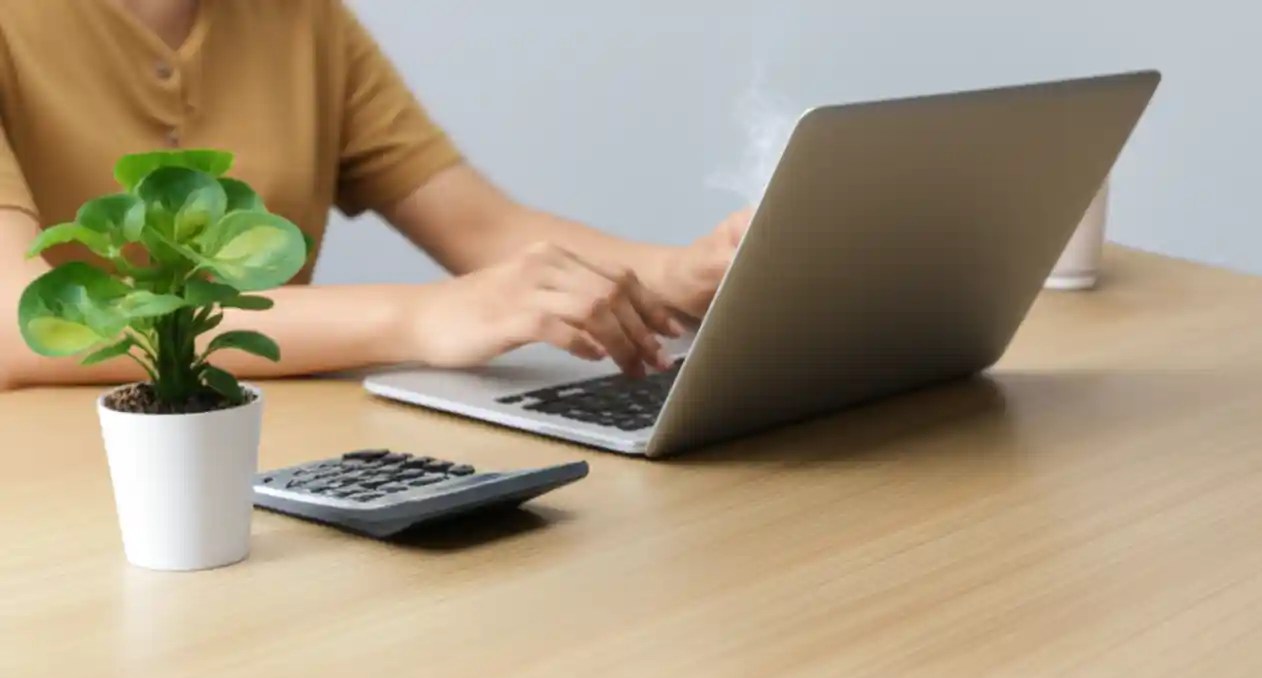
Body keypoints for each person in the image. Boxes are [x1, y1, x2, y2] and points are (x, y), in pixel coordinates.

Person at [0, 0, 751, 392]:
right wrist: (417, 316)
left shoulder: (300, 18)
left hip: (266, 472)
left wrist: (679, 273)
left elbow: (486, 228)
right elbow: (14, 319)